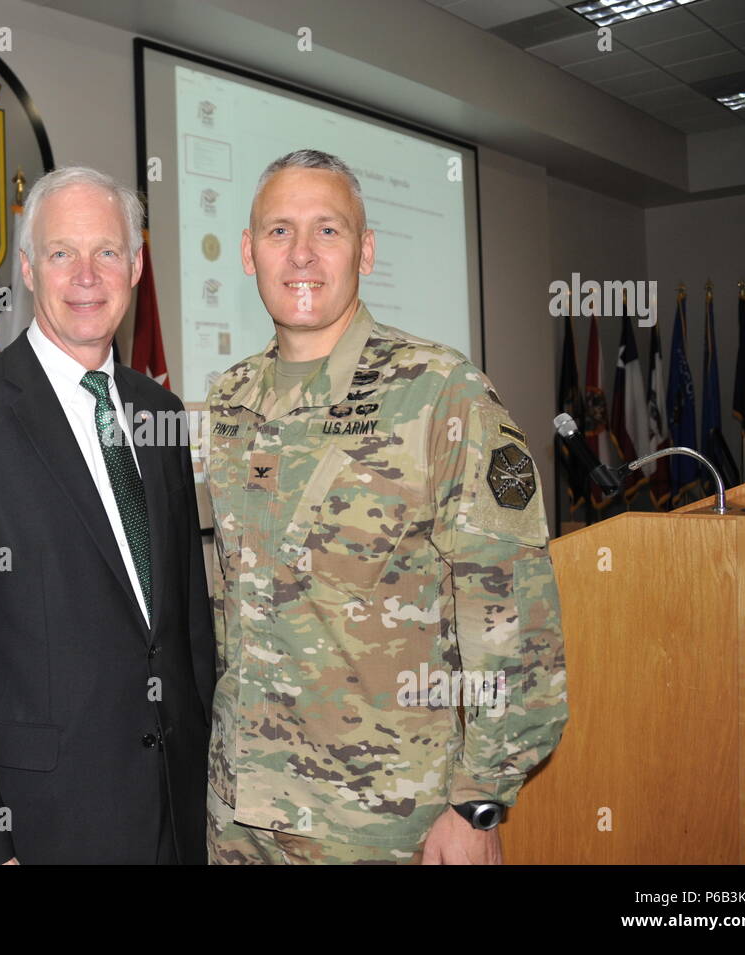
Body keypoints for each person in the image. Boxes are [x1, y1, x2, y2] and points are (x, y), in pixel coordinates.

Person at [204, 149, 567, 865]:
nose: (301, 253)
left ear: (364, 250)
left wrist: (477, 803)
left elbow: (514, 618)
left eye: (328, 230)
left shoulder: (440, 392)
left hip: (382, 828)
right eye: (279, 231)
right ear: (248, 252)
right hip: (239, 819)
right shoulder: (229, 401)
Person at [0, 166, 214, 864]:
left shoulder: (160, 415)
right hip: (44, 826)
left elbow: (186, 625)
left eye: (106, 251)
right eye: (62, 252)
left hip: (176, 807)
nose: (87, 275)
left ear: (134, 265)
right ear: (31, 270)